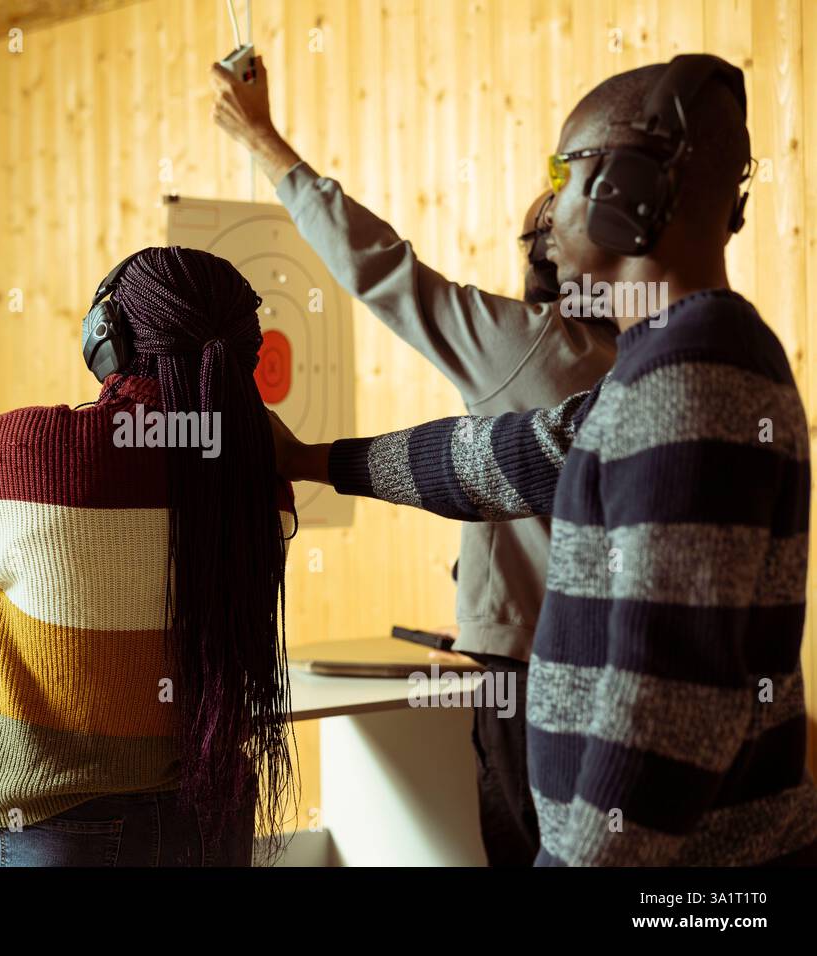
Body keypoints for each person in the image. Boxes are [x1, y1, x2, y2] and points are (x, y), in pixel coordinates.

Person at [269, 56, 817, 866]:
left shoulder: (689, 386)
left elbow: (666, 710)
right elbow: (501, 458)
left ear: (620, 192)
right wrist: (313, 461)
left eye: (563, 171)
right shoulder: (662, 369)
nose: (549, 206)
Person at [211, 56, 616, 866]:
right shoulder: (645, 361)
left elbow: (383, 272)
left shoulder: (529, 342)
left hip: (525, 666)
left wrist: (265, 142)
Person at [0, 246, 297, 867]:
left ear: (108, 341)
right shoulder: (253, 467)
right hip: (212, 820)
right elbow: (96, 468)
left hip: (53, 827)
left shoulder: (29, 455)